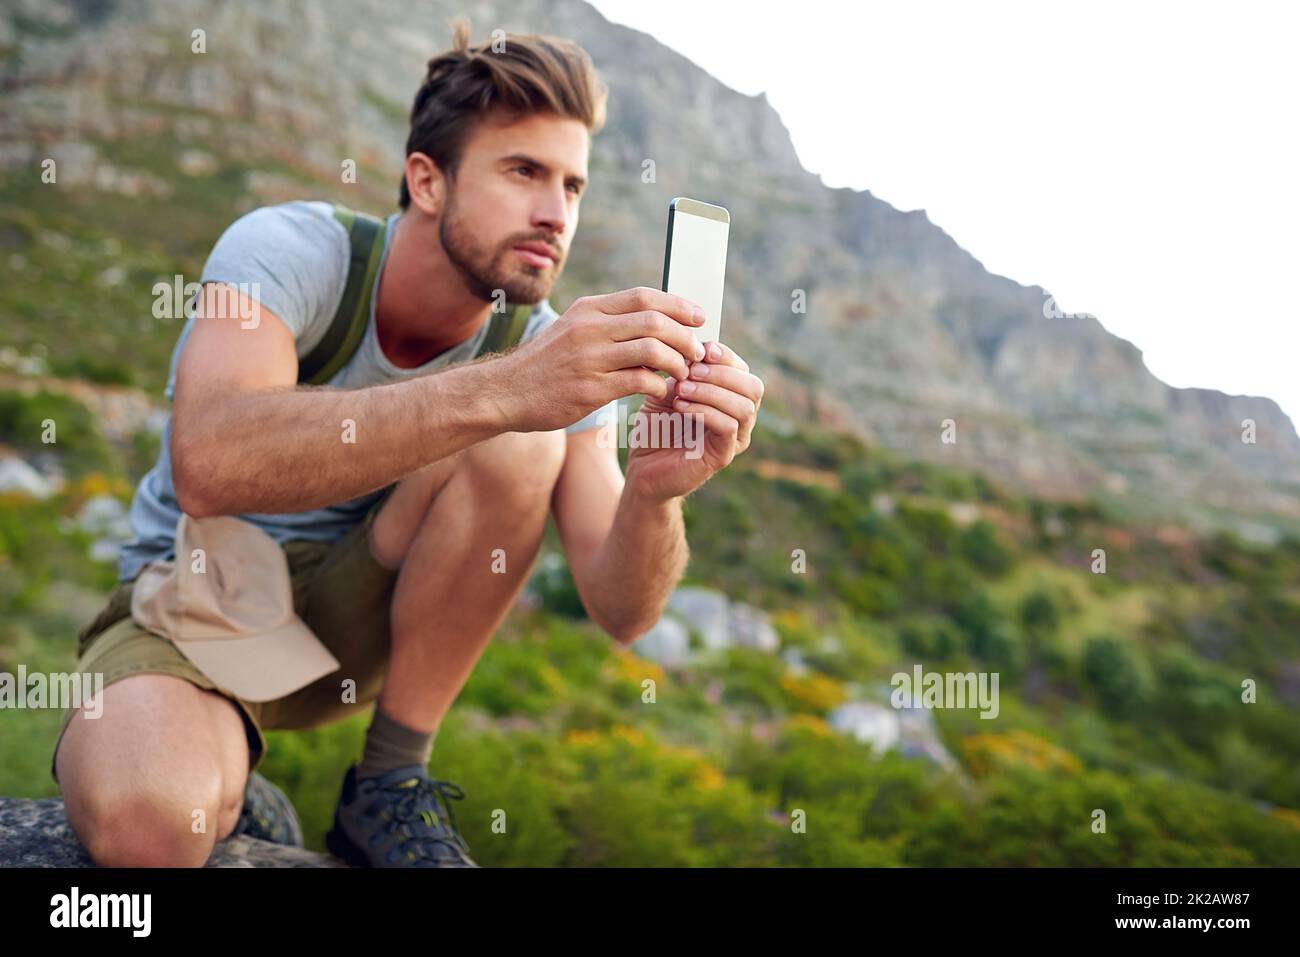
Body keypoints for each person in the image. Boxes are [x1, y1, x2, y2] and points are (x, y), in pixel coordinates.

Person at [52, 20, 763, 868]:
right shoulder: (291, 251)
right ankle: (233, 780)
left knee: (523, 444)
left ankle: (387, 785)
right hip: (197, 605)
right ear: (426, 181)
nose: (555, 213)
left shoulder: (544, 345)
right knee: (145, 830)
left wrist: (657, 492)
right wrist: (507, 389)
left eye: (573, 186)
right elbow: (208, 464)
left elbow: (623, 609)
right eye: (524, 172)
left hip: (357, 626)